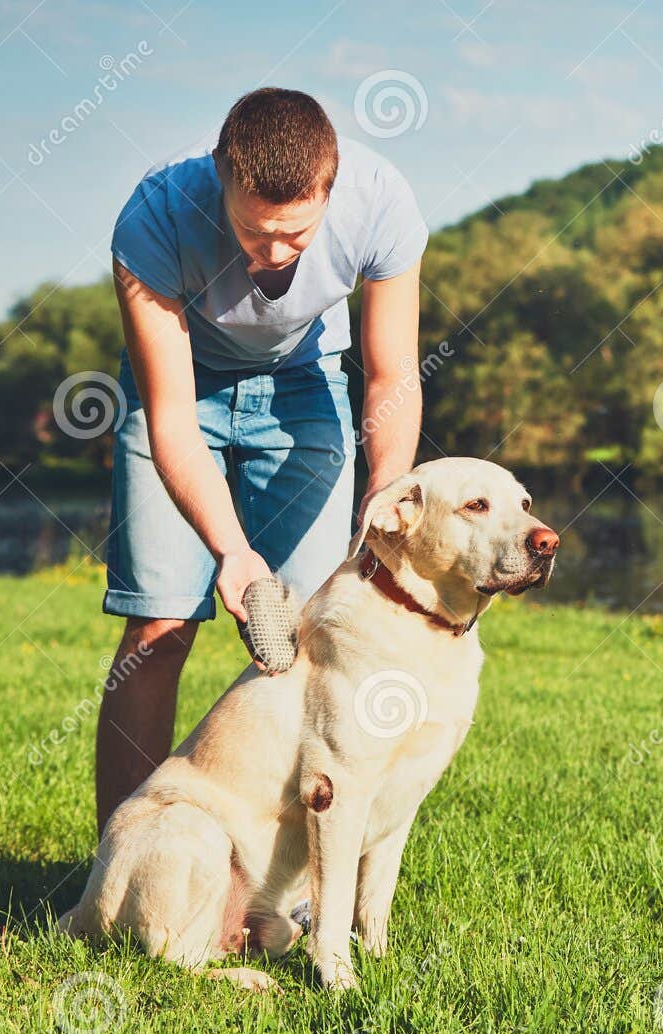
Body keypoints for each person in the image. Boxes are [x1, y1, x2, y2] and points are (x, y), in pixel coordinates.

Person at [94, 87, 426, 832]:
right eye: (253, 231)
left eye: (295, 236)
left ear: (329, 190)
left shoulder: (381, 204)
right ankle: (118, 870)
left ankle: (285, 891)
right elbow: (172, 418)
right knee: (160, 626)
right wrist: (232, 552)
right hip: (180, 393)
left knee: (311, 637)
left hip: (305, 388)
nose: (272, 255)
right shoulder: (153, 219)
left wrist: (390, 484)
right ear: (221, 174)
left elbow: (390, 376)